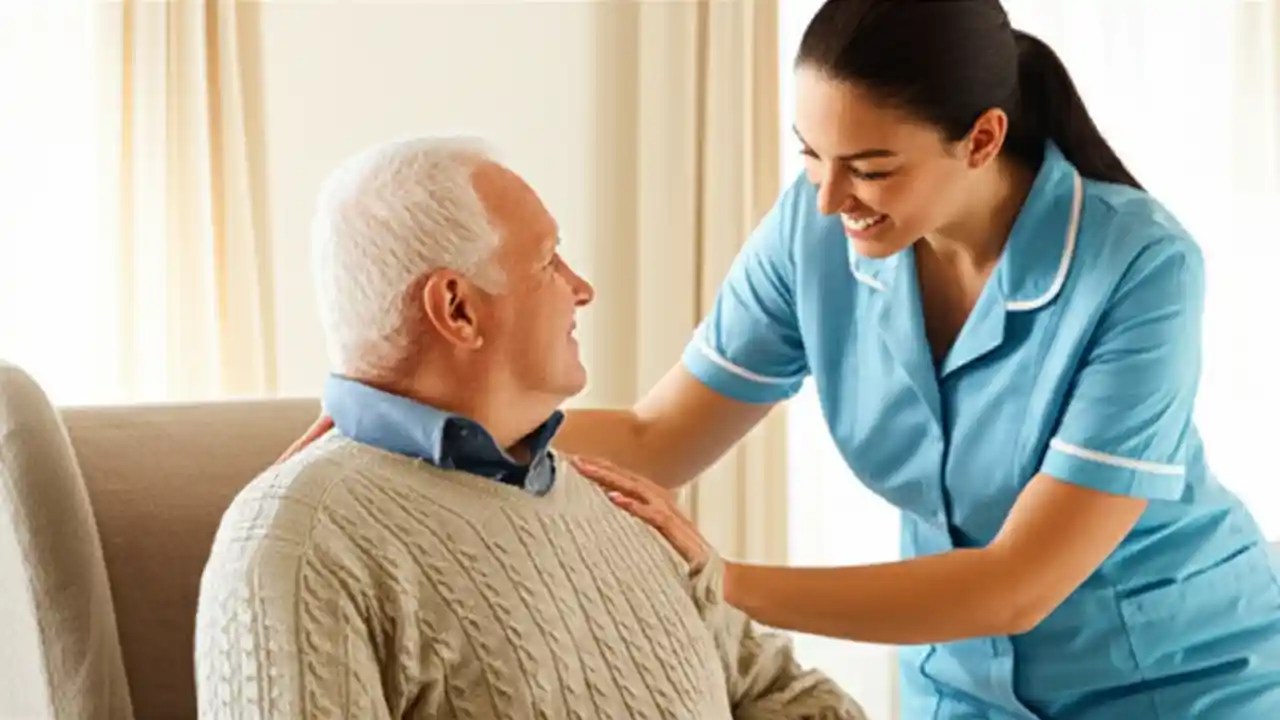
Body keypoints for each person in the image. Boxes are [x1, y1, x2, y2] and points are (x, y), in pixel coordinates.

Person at [281, 1, 1280, 717]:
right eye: (810, 155)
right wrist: (399, 425)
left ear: (981, 139)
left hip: (1181, 682)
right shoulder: (815, 236)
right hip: (957, 690)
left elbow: (1018, 583)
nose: (828, 196)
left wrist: (721, 579)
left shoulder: (1138, 265)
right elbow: (655, 435)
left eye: (870, 167)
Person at [197, 137, 865, 720]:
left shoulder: (620, 505)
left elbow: (804, 704)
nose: (582, 288)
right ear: (457, 308)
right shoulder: (301, 540)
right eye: (549, 261)